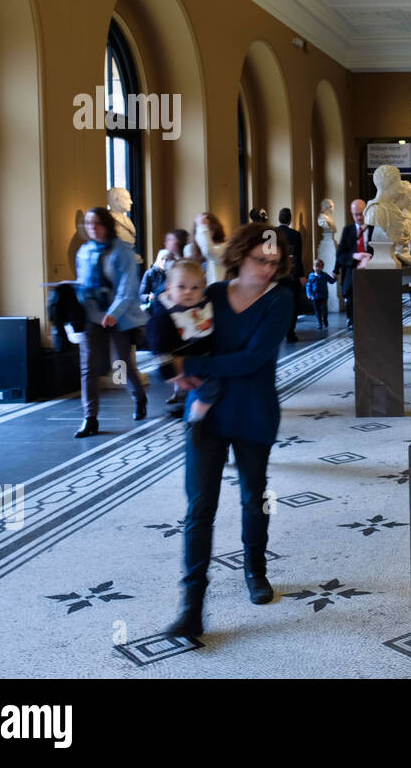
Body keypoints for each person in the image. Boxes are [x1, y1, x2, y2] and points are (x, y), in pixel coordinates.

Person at [164, 222, 294, 637]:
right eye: (260, 260)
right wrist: (170, 364)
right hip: (207, 414)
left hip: (254, 411)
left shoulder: (280, 301)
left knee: (254, 496)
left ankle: (255, 569)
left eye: (274, 262)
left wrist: (192, 367)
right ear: (239, 255)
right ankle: (191, 605)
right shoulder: (212, 295)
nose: (267, 269)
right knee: (199, 507)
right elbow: (173, 323)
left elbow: (252, 360)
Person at [73, 207, 148, 437]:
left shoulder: (123, 252)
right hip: (91, 315)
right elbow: (82, 281)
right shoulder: (84, 252)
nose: (92, 228)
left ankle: (139, 398)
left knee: (121, 364)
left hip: (119, 315)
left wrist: (114, 312)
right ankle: (90, 417)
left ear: (106, 225)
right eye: (88, 224)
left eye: (96, 223)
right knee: (89, 366)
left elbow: (128, 287)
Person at [146, 259, 220, 437]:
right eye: (182, 287)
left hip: (200, 358)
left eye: (195, 288)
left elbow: (209, 334)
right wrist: (170, 372)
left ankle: (202, 418)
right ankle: (197, 414)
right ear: (169, 288)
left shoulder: (203, 307)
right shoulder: (164, 314)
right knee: (211, 389)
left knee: (218, 387)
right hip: (173, 362)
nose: (188, 292)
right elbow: (159, 345)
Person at [335, 198, 373, 328]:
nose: (358, 217)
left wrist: (370, 257)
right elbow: (340, 256)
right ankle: (352, 322)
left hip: (371, 275)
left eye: (361, 213)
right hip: (352, 275)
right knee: (352, 304)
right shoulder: (347, 230)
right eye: (355, 214)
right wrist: (354, 256)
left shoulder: (374, 230)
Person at [276, 207, 304, 343]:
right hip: (291, 275)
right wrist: (301, 275)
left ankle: (278, 332)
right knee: (293, 304)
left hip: (276, 276)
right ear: (290, 219)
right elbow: (297, 258)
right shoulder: (295, 235)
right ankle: (290, 333)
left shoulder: (270, 234)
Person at [185, 212, 227, 283]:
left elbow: (209, 251)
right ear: (196, 230)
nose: (207, 232)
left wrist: (202, 226)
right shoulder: (188, 249)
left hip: (214, 290)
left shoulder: (223, 247)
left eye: (209, 229)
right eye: (205, 229)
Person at [306, 259, 336, 329]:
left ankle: (325, 320)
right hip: (314, 296)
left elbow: (331, 281)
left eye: (319, 267)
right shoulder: (311, 276)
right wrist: (308, 293)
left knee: (324, 310)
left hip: (323, 296)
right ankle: (319, 323)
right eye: (316, 266)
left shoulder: (324, 275)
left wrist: (335, 277)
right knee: (317, 310)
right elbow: (308, 285)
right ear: (313, 267)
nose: (318, 268)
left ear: (322, 267)